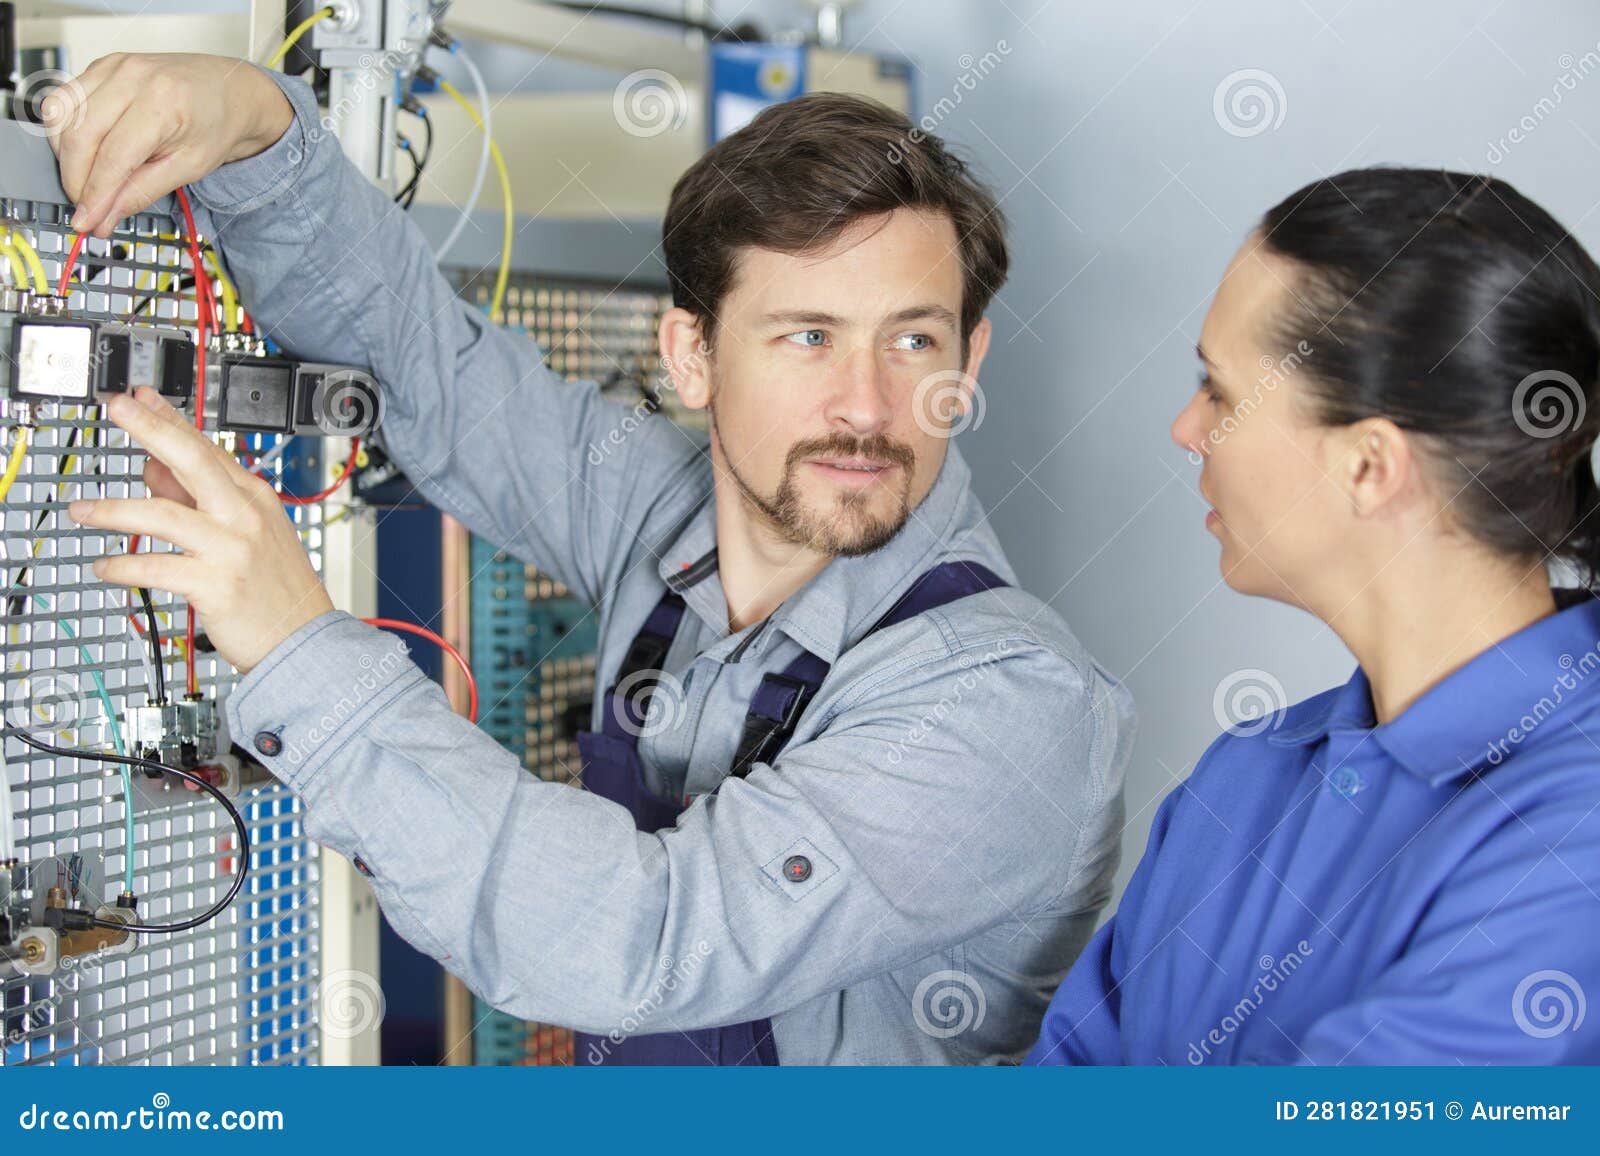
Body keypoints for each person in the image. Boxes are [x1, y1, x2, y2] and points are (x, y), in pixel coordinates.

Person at [53, 53, 1136, 1065]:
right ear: (692, 354)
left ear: (967, 354)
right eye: (807, 336)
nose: (866, 405)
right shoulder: (662, 507)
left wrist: (300, 645)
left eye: (912, 339)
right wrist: (258, 127)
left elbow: (642, 942)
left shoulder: (1007, 702)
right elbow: (431, 369)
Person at [1029, 167, 1600, 1065]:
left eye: (1219, 392)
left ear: (1370, 466)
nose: (1186, 428)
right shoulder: (1246, 777)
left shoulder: (1576, 835)